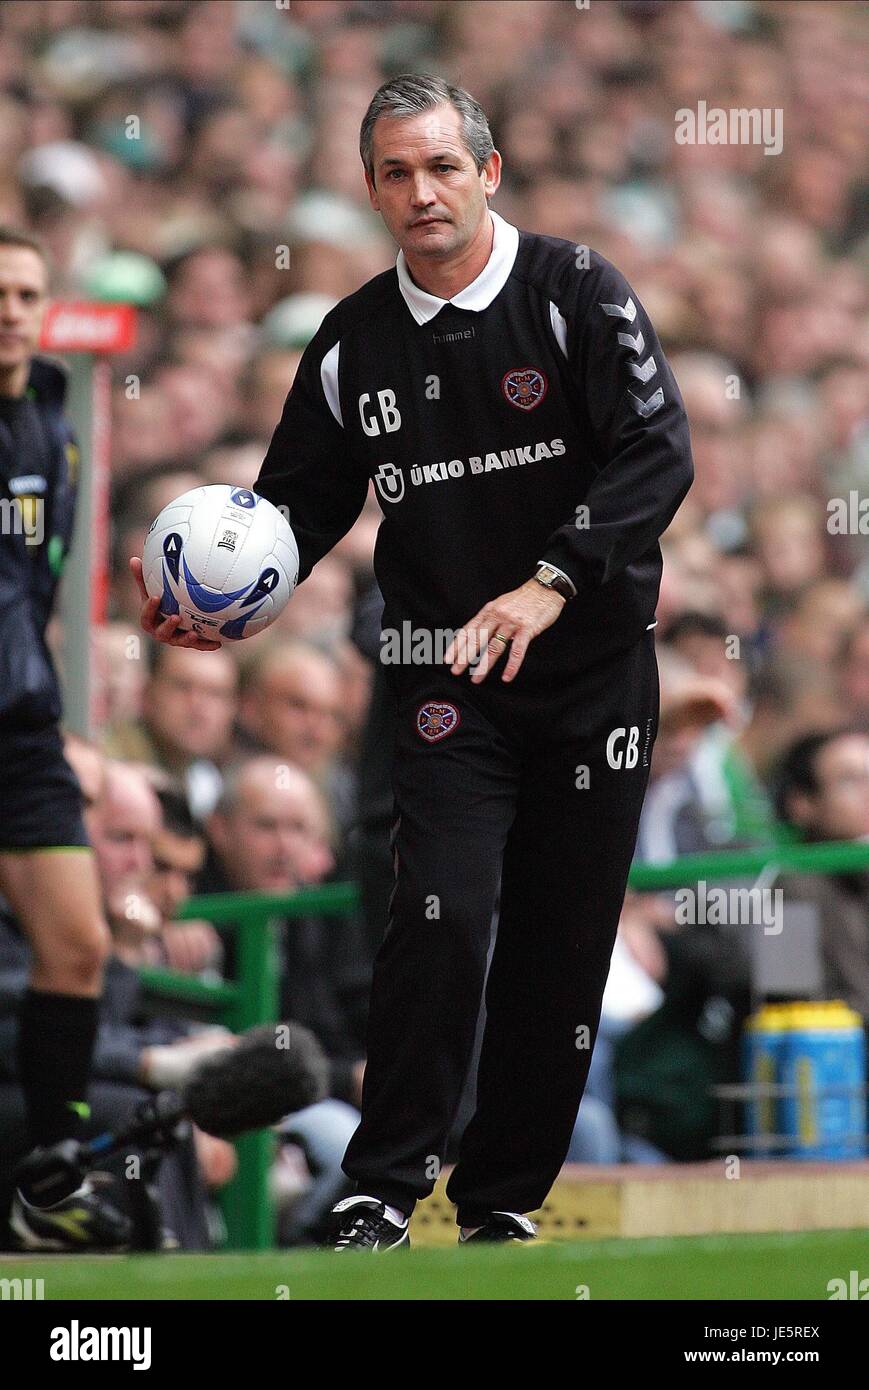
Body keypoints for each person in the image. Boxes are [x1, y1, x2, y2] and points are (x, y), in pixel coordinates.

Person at [133, 74, 693, 1249]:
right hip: (446, 681)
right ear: (372, 189)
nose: (421, 190)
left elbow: (655, 453)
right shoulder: (348, 345)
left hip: (590, 674)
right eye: (395, 171)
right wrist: (217, 605)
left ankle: (498, 1202)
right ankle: (379, 1187)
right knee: (439, 912)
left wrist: (549, 584)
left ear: (487, 172)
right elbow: (287, 514)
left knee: (559, 943)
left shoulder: (574, 291)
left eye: (441, 165)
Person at [0, 226, 126, 1249]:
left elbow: (34, 586)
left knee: (78, 944)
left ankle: (47, 1184)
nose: (9, 308)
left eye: (25, 291)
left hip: (22, 726)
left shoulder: (54, 413)